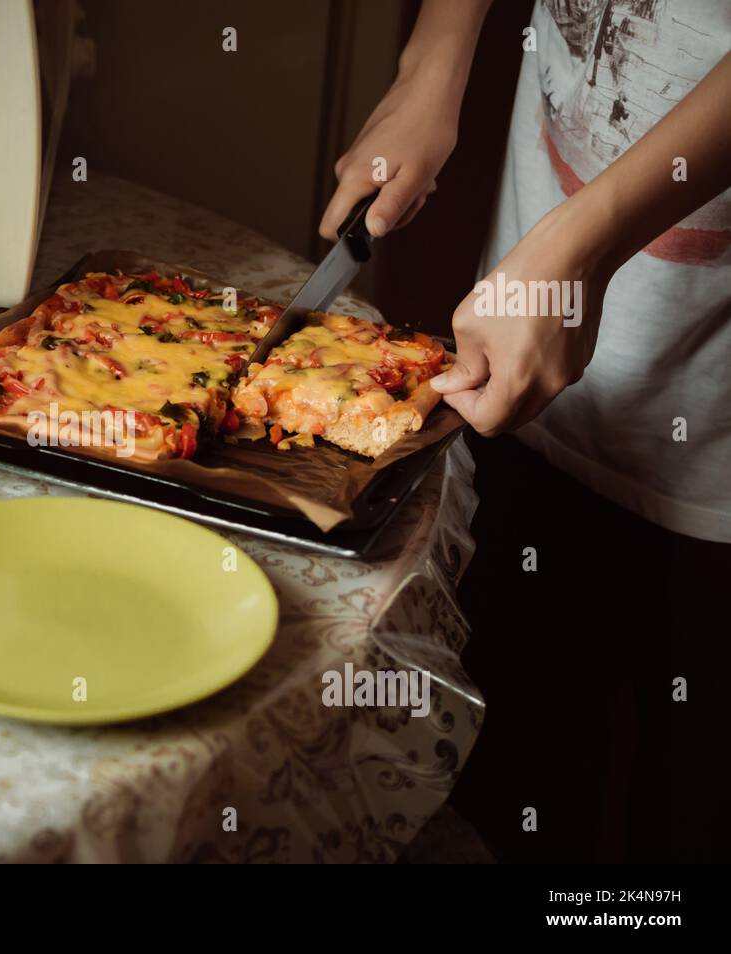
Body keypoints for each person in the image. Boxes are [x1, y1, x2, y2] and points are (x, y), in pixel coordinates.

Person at [321, 0, 730, 862]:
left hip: (717, 426)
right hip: (522, 365)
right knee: (499, 789)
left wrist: (584, 244)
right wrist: (433, 61)